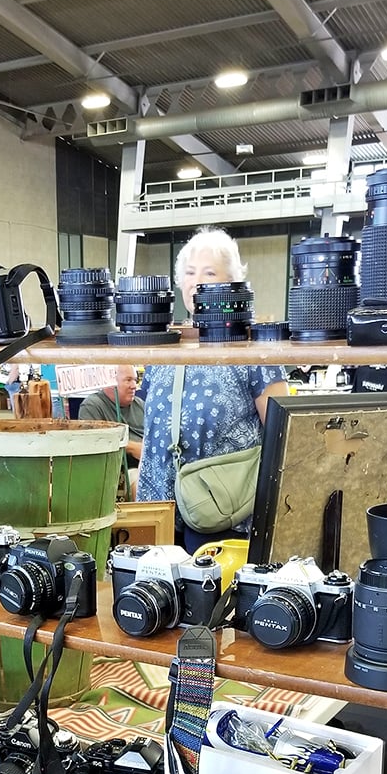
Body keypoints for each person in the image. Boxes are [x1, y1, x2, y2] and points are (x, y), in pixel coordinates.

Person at [136, 227, 288, 551]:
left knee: (214, 598)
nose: (196, 281)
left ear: (231, 281)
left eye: (209, 272)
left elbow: (283, 436)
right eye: (189, 273)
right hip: (159, 509)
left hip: (222, 510)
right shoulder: (164, 346)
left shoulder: (251, 349)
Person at [78, 365, 144, 496]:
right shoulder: (92, 406)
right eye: (128, 380)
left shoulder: (140, 404)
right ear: (110, 382)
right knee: (141, 485)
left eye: (135, 380)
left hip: (148, 466)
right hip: (119, 471)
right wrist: (132, 447)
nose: (133, 386)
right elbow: (94, 440)